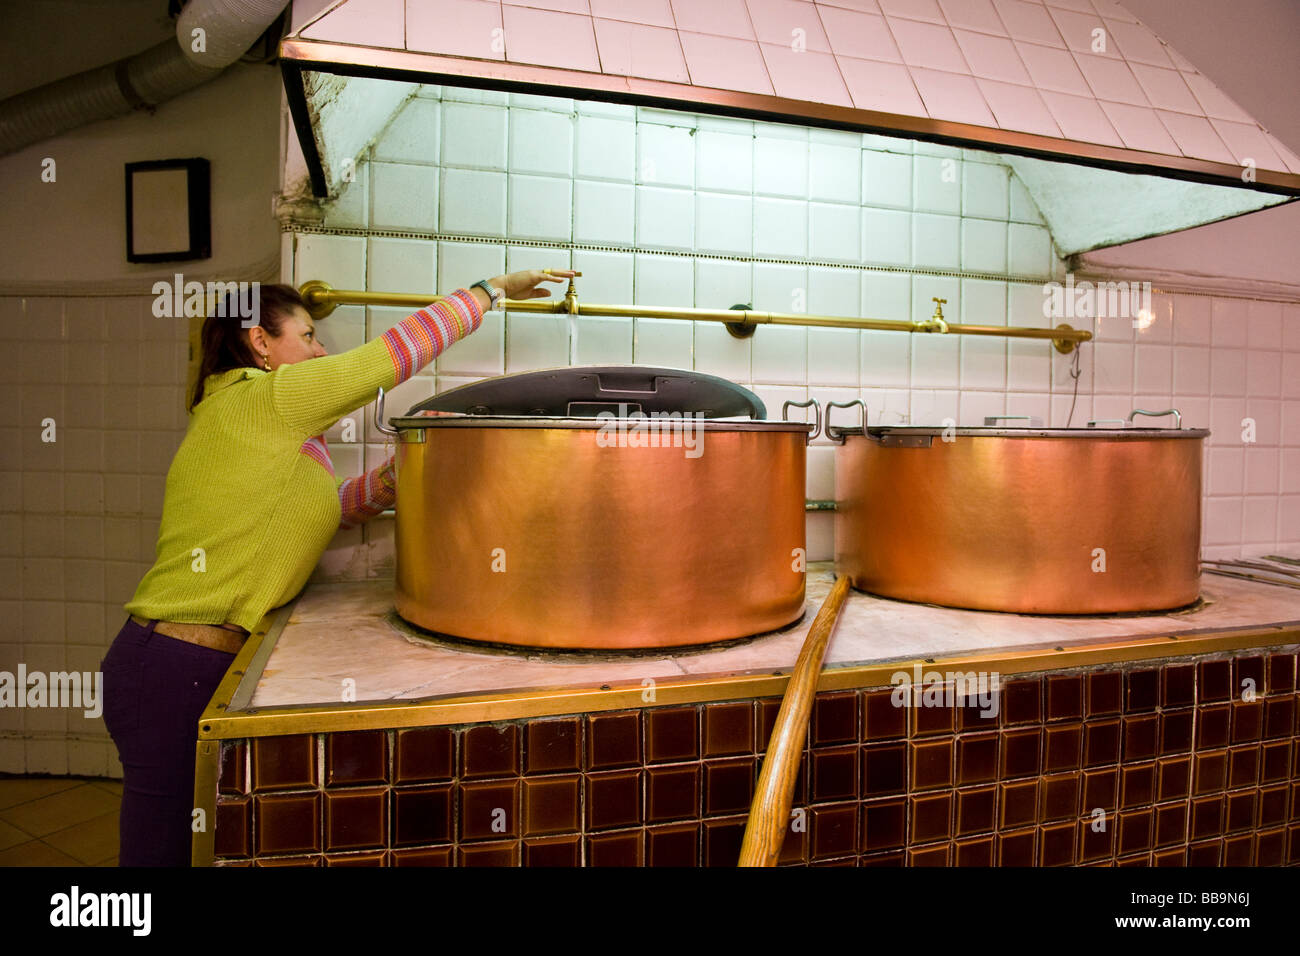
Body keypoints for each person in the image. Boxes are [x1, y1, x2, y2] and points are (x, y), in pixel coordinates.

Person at [101, 268, 573, 866]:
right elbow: (390, 357)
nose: (322, 350)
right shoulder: (266, 397)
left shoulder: (248, 415)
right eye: (309, 335)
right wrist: (491, 290)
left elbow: (321, 509)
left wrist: (395, 479)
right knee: (159, 854)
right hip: (173, 666)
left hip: (177, 662)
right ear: (261, 342)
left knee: (190, 845)